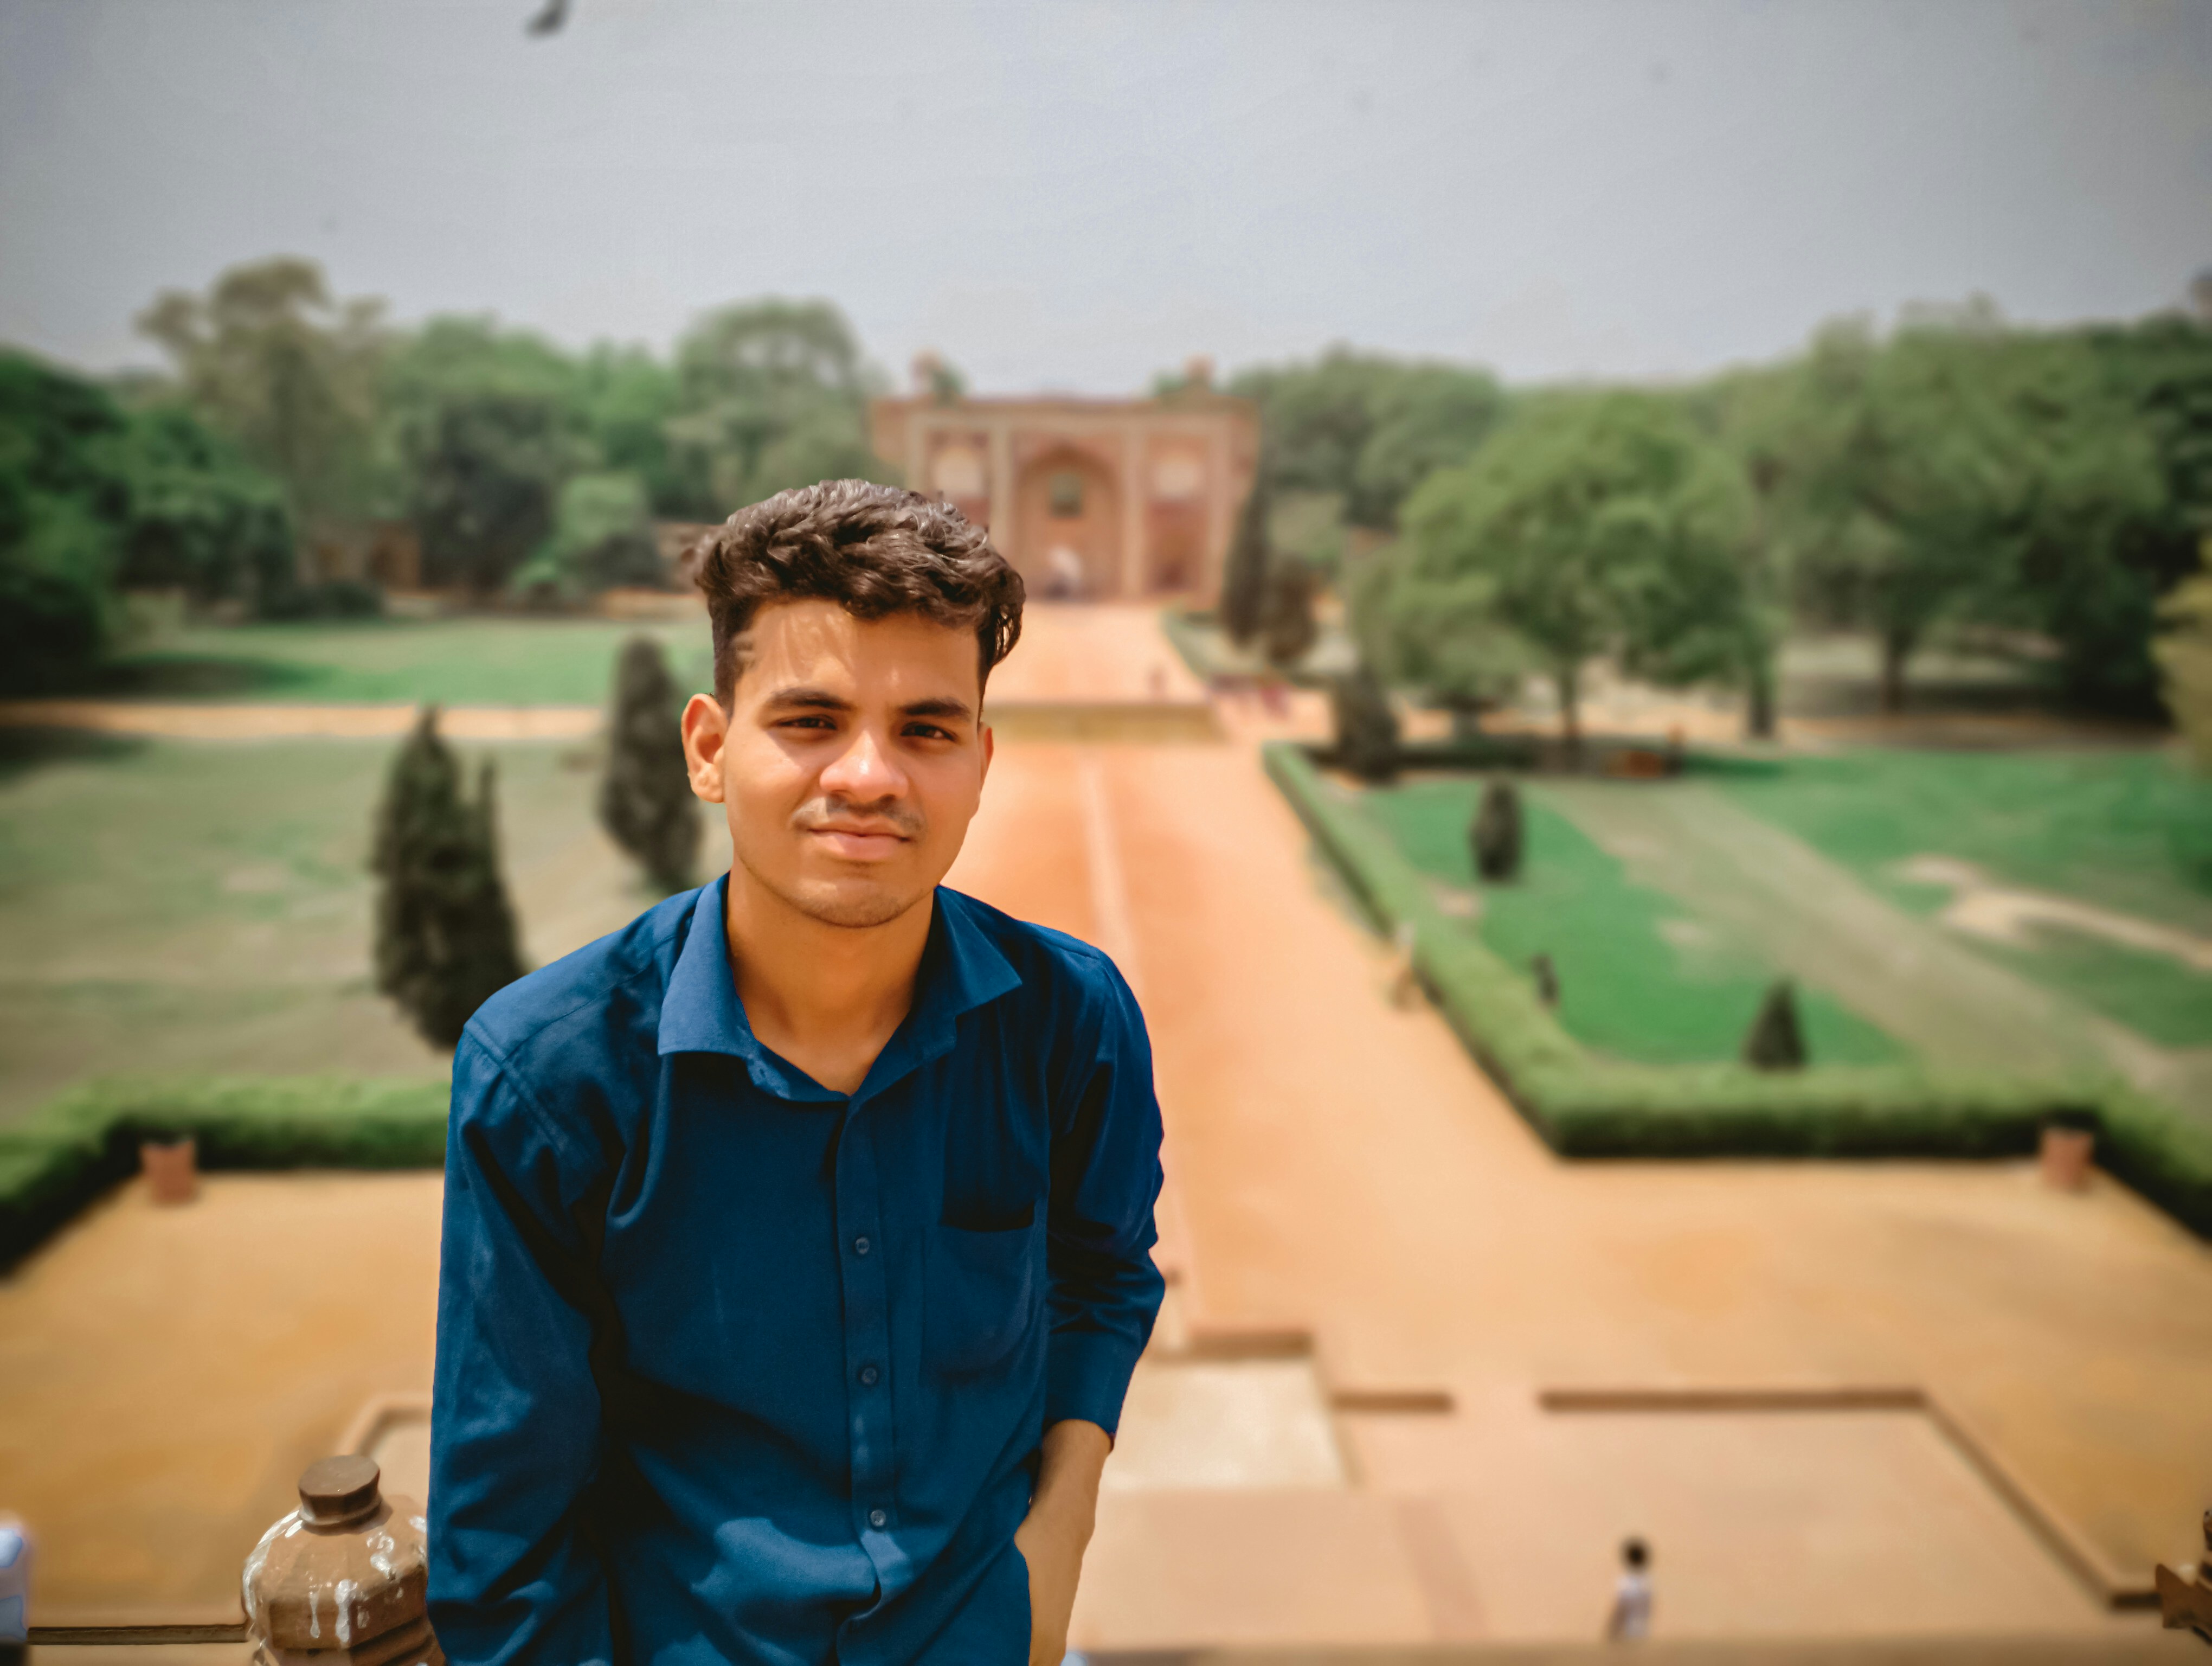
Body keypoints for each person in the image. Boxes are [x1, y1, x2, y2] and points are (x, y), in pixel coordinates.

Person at [427, 481, 1166, 1665]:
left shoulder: (1068, 1023)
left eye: (926, 729)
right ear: (711, 750)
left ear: (979, 762)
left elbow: (1101, 1274)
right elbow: (505, 1548)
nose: (870, 774)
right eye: (811, 720)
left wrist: (1060, 1533)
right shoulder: (554, 1077)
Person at [1605, 1537, 1652, 1642]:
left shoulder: (1626, 1583)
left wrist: (1611, 1631)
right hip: (1644, 1633)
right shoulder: (1649, 1582)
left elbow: (1620, 1610)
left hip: (1628, 1635)